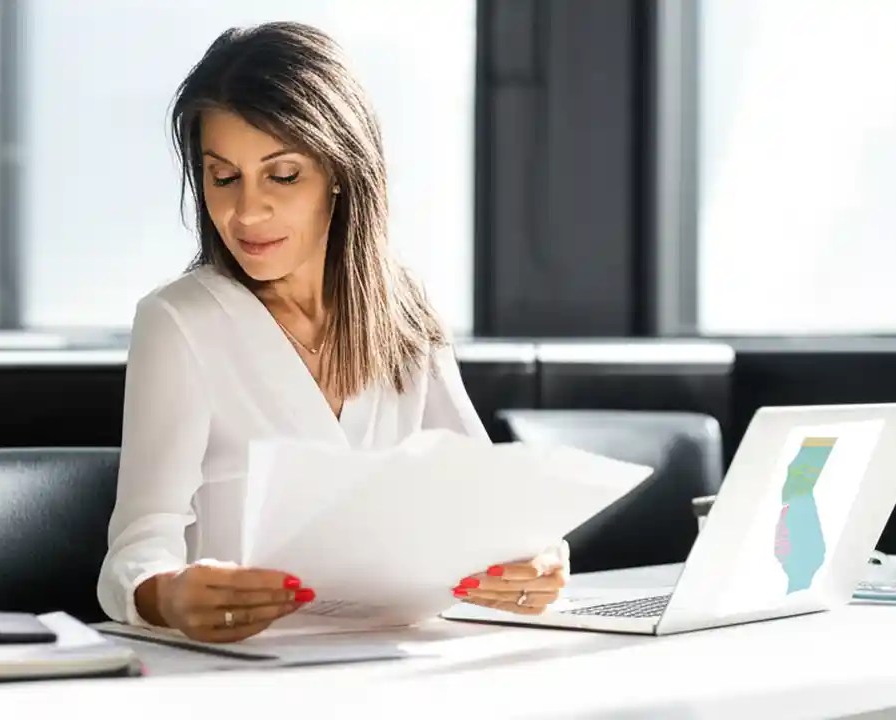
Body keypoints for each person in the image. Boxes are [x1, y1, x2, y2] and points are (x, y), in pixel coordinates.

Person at [97, 21, 565, 644]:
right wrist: (167, 594)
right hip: (247, 667)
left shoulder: (405, 310)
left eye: (283, 175)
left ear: (339, 172)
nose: (247, 211)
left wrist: (537, 560)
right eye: (223, 177)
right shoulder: (179, 321)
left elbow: (490, 505)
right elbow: (137, 549)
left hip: (403, 661)